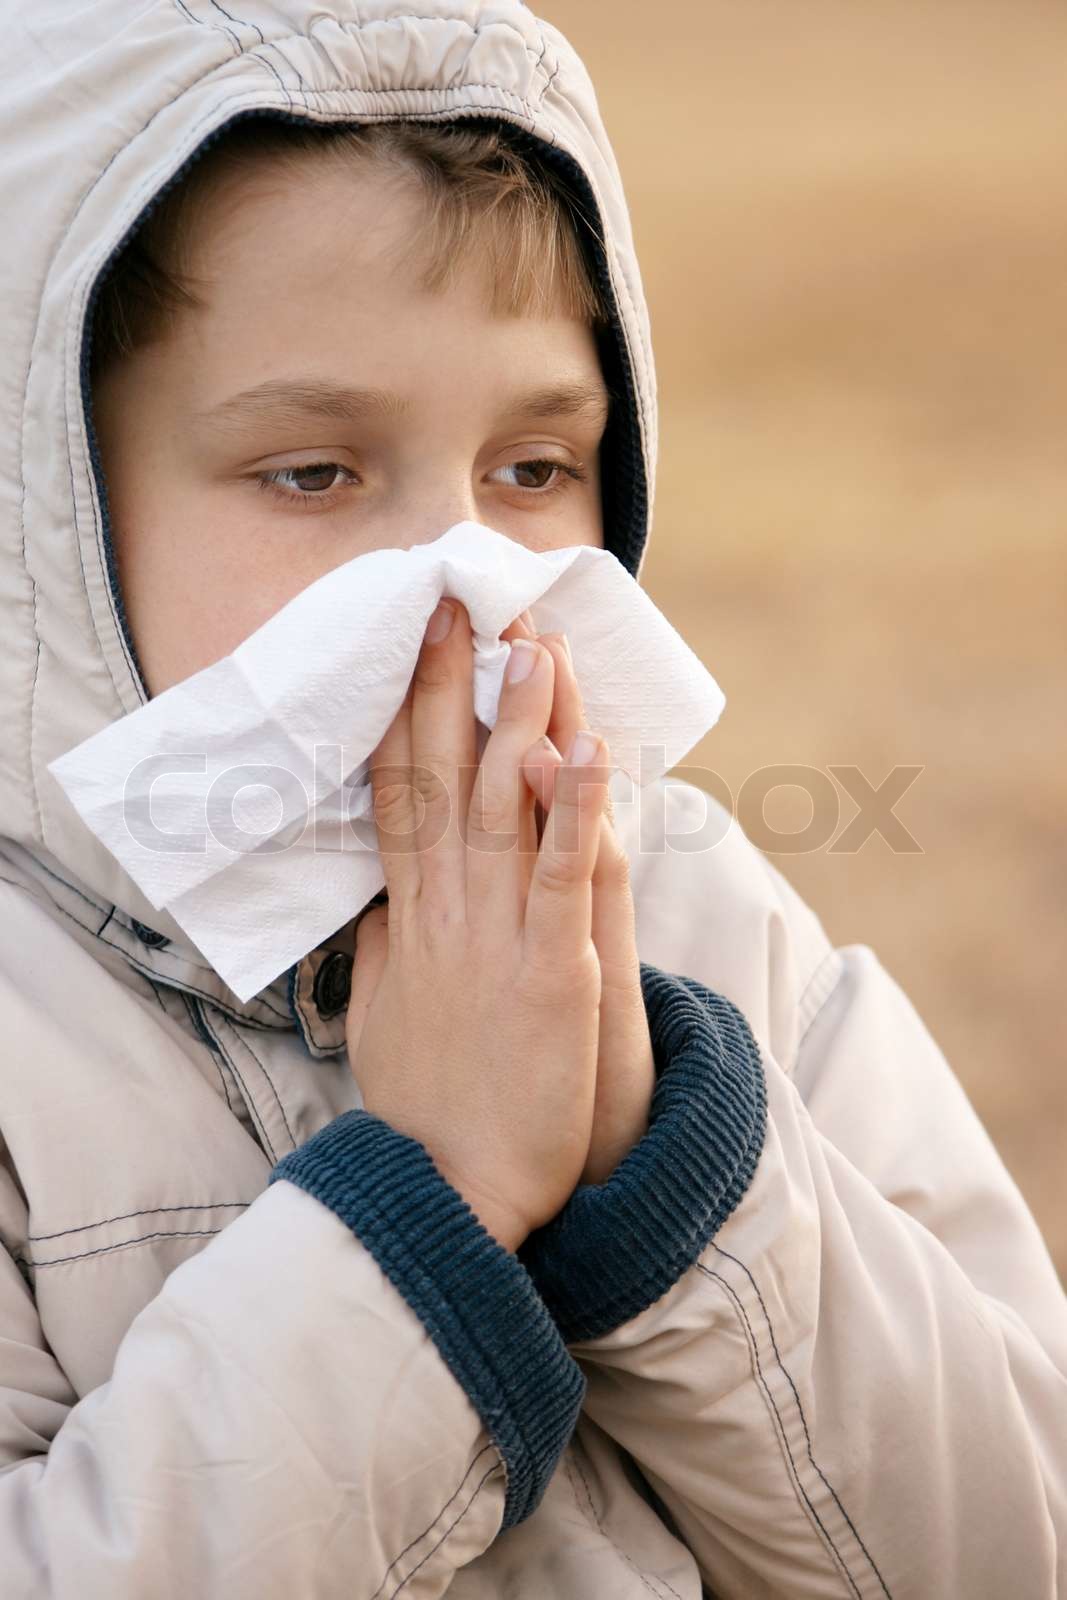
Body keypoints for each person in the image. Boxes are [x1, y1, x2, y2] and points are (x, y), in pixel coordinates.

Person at [1, 2, 1064, 1596]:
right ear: (53, 513)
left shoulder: (707, 925)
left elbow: (1013, 1539)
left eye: (531, 470)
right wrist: (427, 1195)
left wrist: (664, 1159)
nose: (466, 588)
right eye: (315, 473)